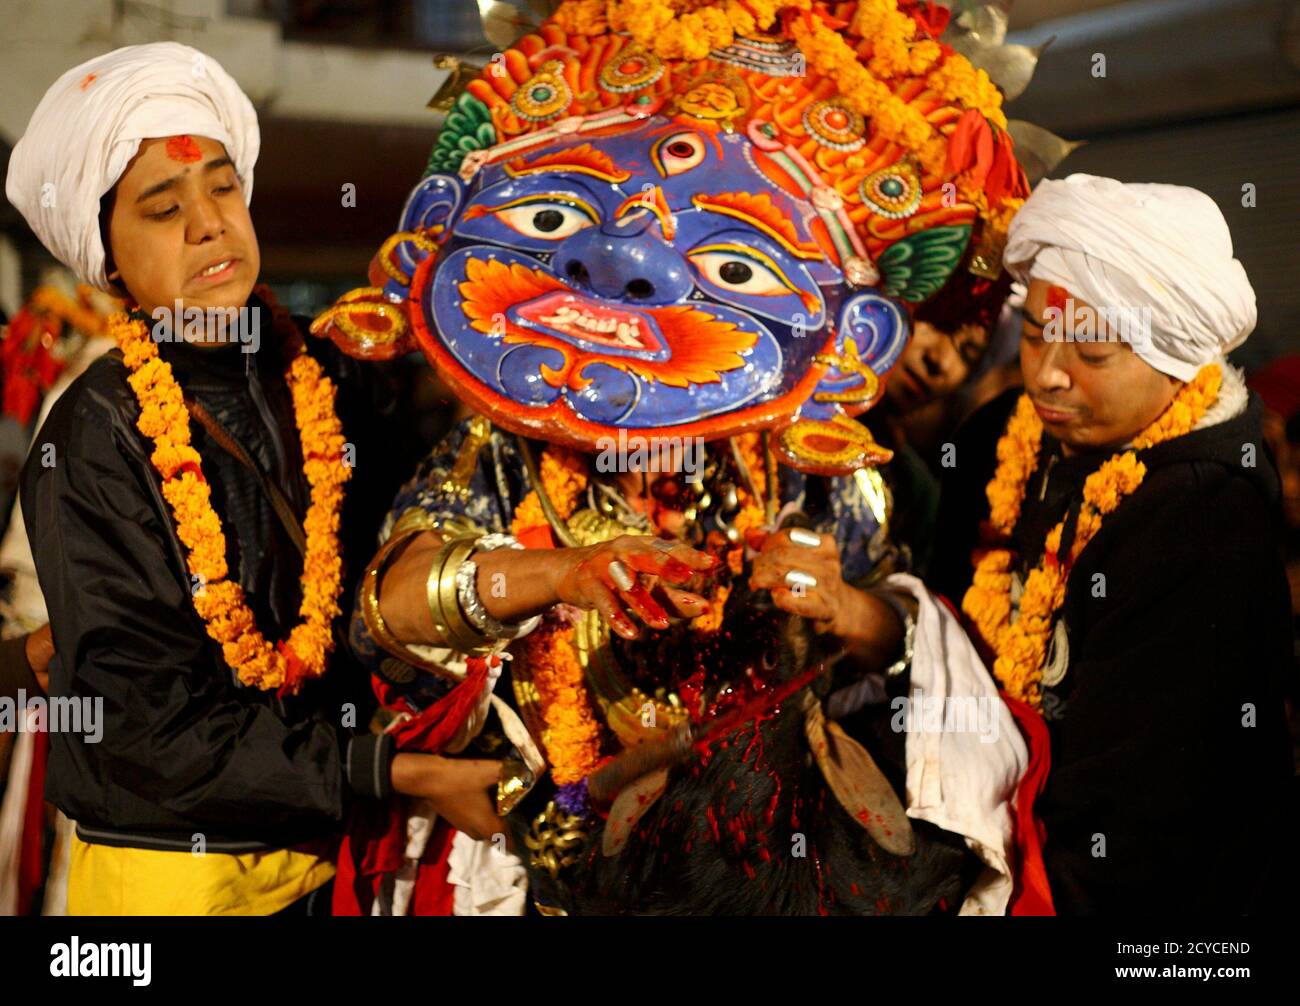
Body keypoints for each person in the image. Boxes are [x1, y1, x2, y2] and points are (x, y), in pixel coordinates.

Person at [323, 0, 1035, 915]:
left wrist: (843, 606)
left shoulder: (807, 458)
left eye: (736, 264)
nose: (633, 263)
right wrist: (561, 574)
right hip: (549, 864)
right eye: (562, 217)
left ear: (848, 329)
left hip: (753, 870)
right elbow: (386, 610)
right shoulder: (515, 436)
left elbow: (888, 642)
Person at [3, 42, 477, 915]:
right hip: (178, 872)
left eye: (221, 186)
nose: (208, 223)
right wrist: (390, 769)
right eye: (160, 207)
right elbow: (142, 726)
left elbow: (404, 557)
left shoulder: (331, 372)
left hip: (339, 848)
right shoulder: (97, 434)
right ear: (111, 265)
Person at [916, 174, 1294, 913]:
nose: (1050, 376)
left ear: (1177, 360)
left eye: (1093, 356)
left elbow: (1145, 821)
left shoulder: (1204, 523)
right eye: (1033, 338)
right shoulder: (1005, 437)